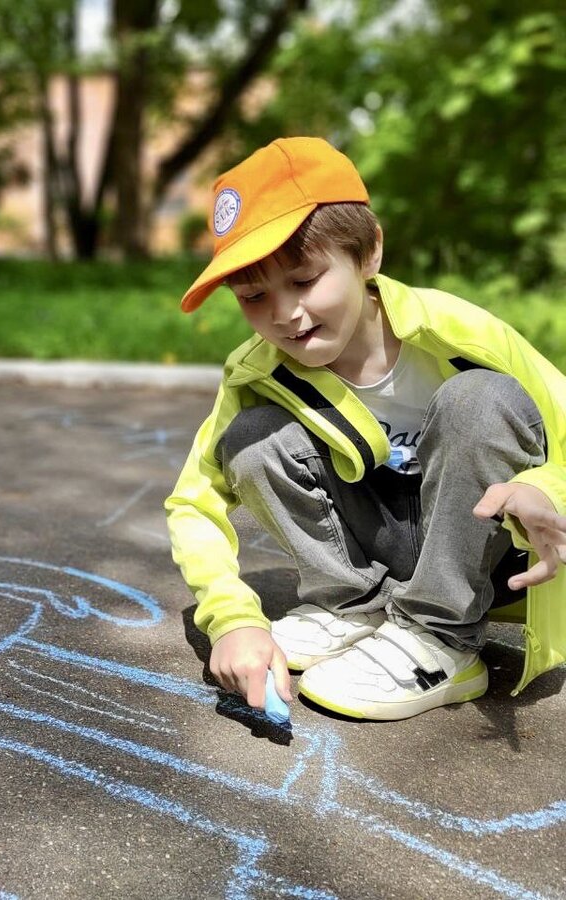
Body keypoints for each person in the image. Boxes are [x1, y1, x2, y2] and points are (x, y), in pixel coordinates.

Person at [164, 136, 566, 721]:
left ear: (369, 253)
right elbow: (192, 502)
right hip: (388, 543)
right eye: (253, 296)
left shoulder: (457, 333)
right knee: (252, 436)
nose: (283, 313)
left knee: (481, 399)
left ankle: (443, 640)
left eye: (303, 281)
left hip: (489, 553)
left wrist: (548, 489)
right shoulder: (260, 369)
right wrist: (232, 620)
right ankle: (358, 607)